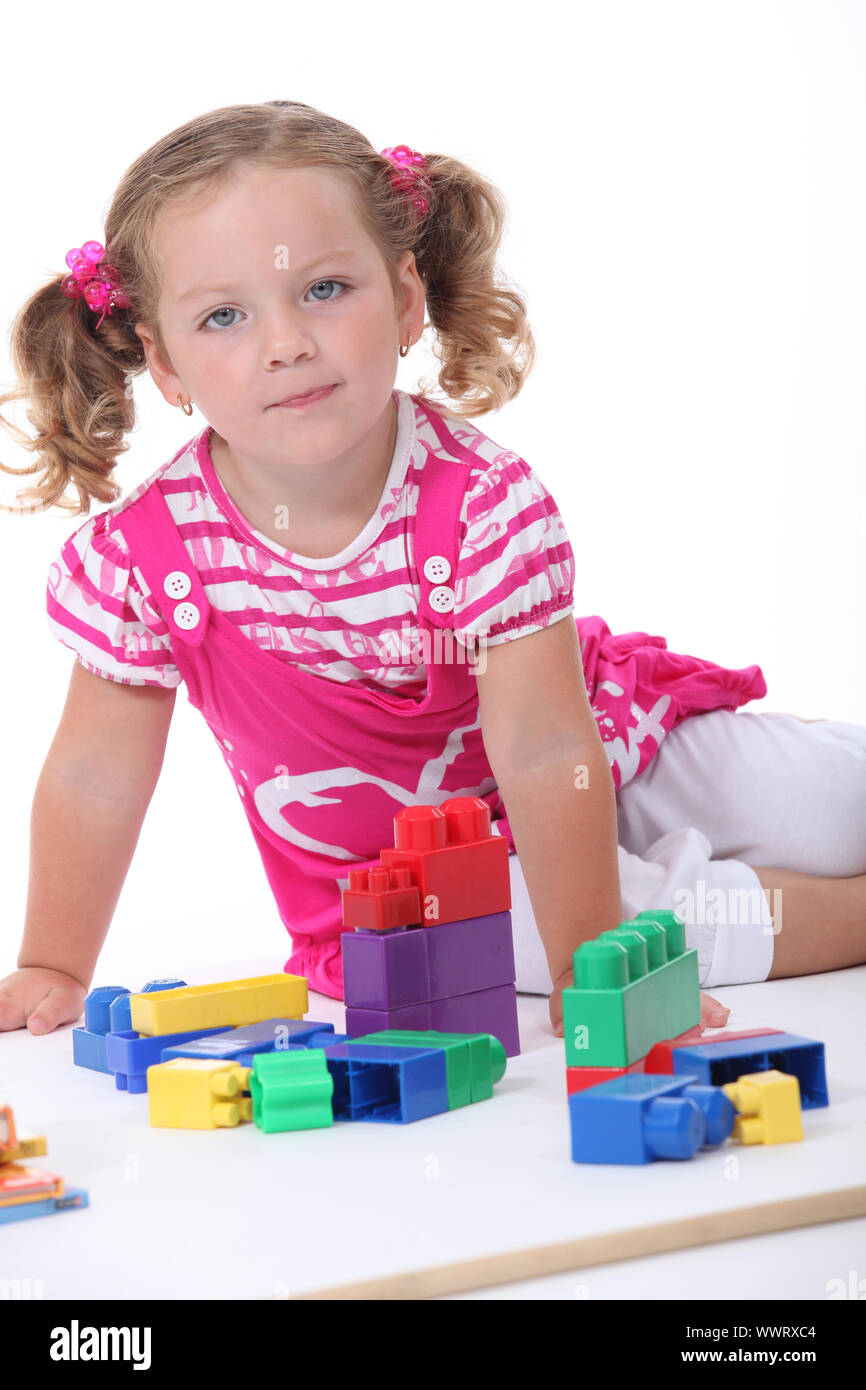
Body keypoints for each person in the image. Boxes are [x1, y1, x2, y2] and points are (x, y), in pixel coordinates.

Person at [1, 101, 863, 1044]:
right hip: (407, 886)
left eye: (325, 289)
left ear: (406, 296)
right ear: (165, 367)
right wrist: (52, 961)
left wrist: (589, 928)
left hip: (595, 749)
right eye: (224, 316)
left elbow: (544, 747)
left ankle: (651, 868)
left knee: (827, 802)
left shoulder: (482, 504)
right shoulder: (143, 562)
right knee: (565, 939)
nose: (285, 342)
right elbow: (94, 777)